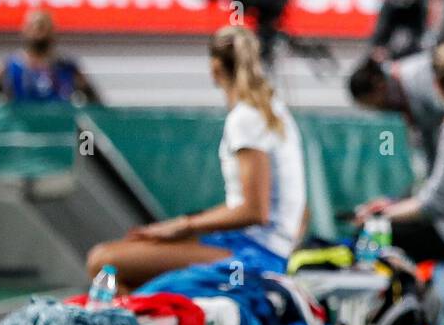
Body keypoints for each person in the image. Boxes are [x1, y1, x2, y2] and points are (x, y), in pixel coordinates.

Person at [86, 26, 306, 292]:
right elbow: (297, 211)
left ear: (215, 68)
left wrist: (182, 226)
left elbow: (254, 211)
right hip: (261, 250)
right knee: (133, 261)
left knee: (103, 261)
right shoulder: (276, 113)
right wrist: (186, 229)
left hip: (254, 256)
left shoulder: (246, 119)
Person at [353, 45, 444, 262]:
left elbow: (433, 205)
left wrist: (380, 215)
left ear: (437, 84)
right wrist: (394, 205)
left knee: (372, 232)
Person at [0, 10, 101, 104]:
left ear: (53, 32)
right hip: (23, 137)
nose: (39, 31)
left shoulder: (69, 68)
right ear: (24, 30)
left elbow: (98, 104)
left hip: (58, 136)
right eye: (34, 27)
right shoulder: (7, 68)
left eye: (43, 27)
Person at [349, 50, 444, 167]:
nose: (377, 109)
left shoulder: (418, 76)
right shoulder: (399, 100)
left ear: (378, 85)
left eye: (373, 104)